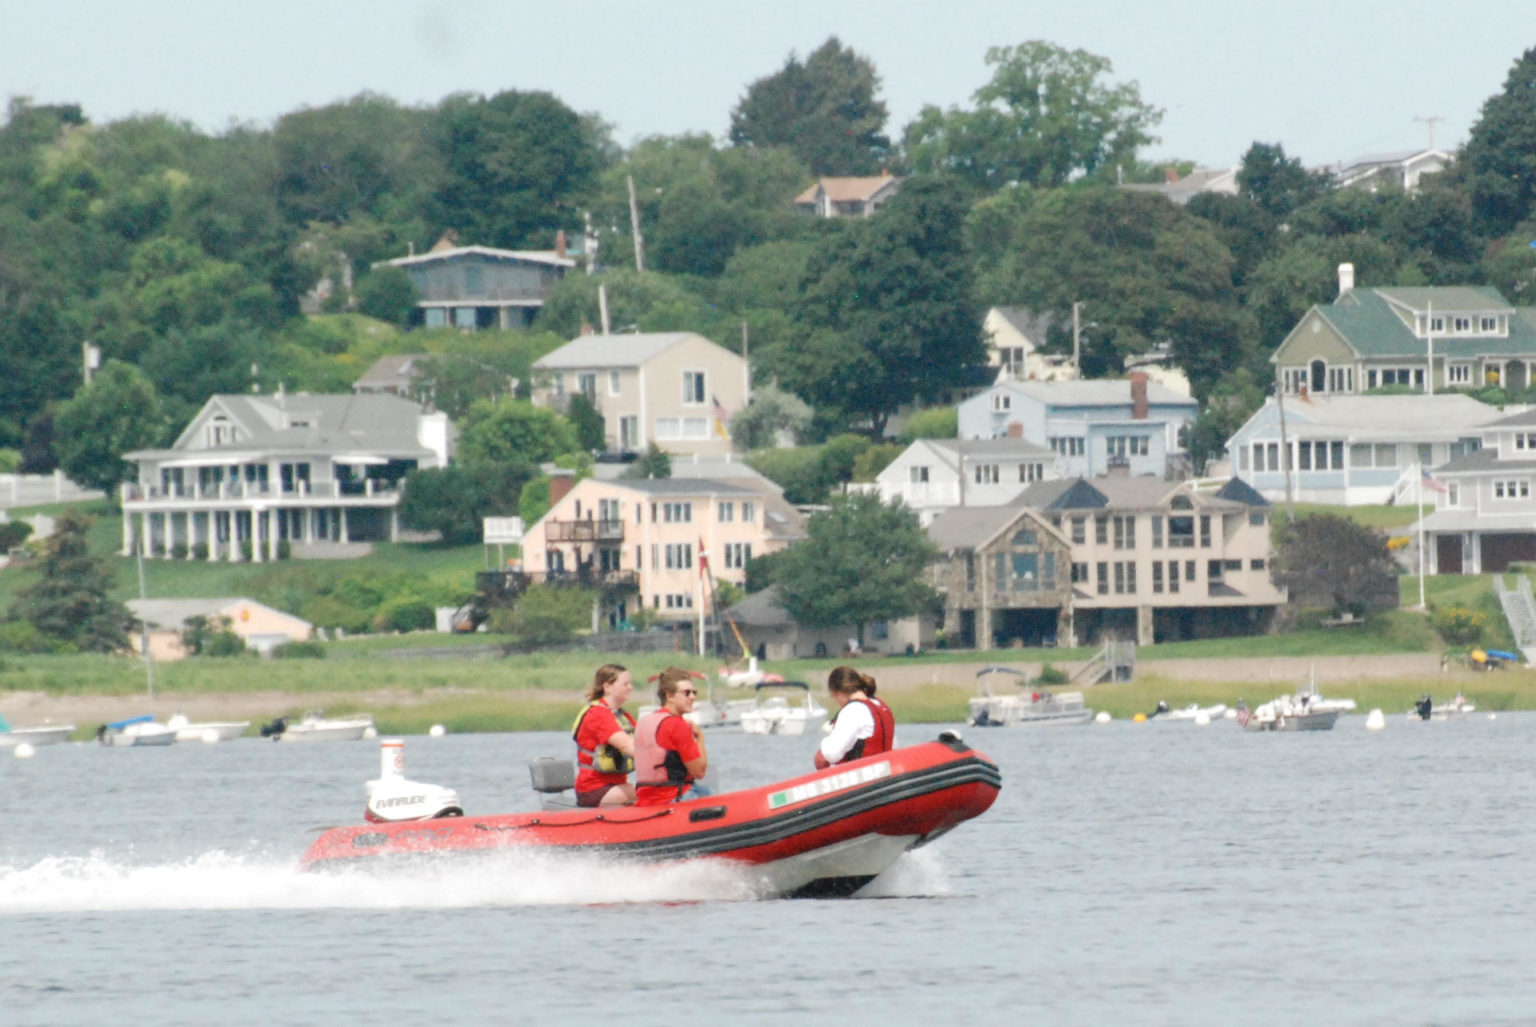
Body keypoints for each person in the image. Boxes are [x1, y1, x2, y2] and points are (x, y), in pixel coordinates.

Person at [633, 667, 710, 806]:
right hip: (675, 796)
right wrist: (700, 739)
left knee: (706, 790)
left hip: (647, 799)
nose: (692, 697)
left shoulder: (646, 721)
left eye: (694, 692)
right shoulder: (677, 725)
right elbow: (699, 772)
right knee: (709, 794)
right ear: (669, 695)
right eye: (687, 693)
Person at [572, 664, 637, 807]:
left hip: (617, 786)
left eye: (630, 684)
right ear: (607, 687)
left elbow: (645, 741)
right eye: (625, 684)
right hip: (593, 789)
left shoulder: (622, 715)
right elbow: (628, 746)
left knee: (650, 789)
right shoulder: (598, 714)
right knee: (647, 793)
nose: (630, 687)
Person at [814, 666, 896, 769]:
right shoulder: (880, 705)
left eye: (833, 696)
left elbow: (832, 754)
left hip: (864, 773)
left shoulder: (853, 710)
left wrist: (825, 743)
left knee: (820, 759)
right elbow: (893, 745)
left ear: (838, 692)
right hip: (887, 770)